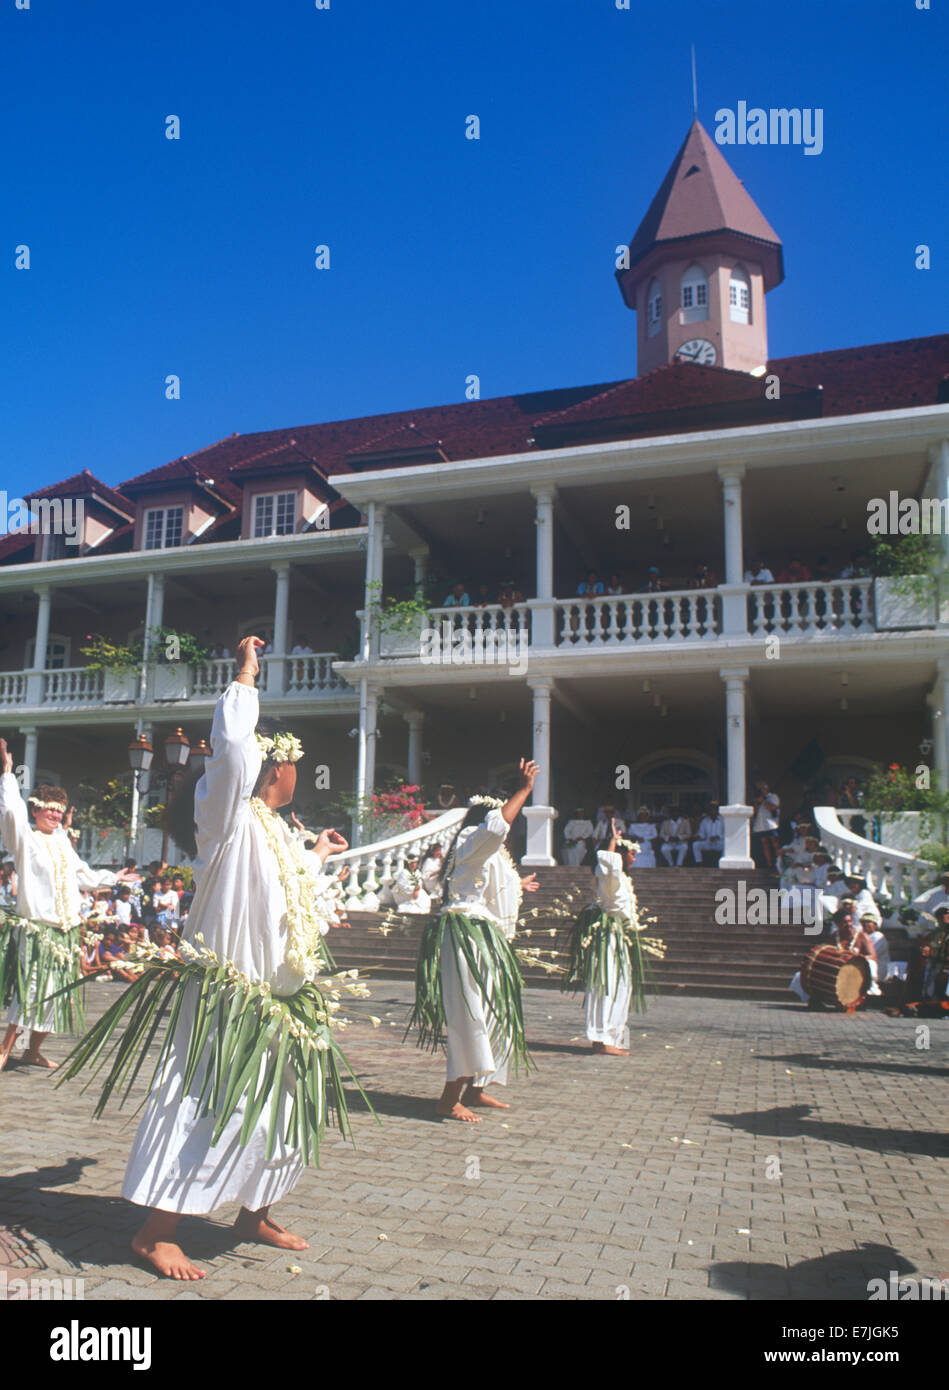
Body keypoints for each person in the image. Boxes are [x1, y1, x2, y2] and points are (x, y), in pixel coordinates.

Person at [70, 634, 355, 1280]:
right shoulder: (227, 818)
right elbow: (227, 752)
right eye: (289, 761)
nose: (295, 772)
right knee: (206, 1098)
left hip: (278, 999)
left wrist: (319, 858)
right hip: (230, 994)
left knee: (281, 1105)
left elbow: (287, 900)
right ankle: (155, 1230)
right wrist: (246, 678)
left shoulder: (282, 832)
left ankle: (255, 1209)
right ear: (275, 764)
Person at [407, 763, 541, 1123]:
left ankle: (476, 1090)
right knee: (472, 1014)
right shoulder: (472, 839)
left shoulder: (475, 850)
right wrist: (524, 790)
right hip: (466, 935)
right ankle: (448, 1099)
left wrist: (520, 886)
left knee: (492, 1011)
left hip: (481, 934)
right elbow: (497, 828)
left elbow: (493, 878)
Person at [0, 756, 116, 1072]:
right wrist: (9, 775)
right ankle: (5, 1048)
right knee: (32, 988)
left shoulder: (63, 843)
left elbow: (84, 875)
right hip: (38, 930)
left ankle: (32, 1051)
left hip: (65, 932)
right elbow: (10, 813)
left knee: (57, 993)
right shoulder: (25, 840)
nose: (54, 814)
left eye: (59, 810)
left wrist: (116, 878)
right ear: (35, 809)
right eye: (48, 808)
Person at [564, 822, 659, 1056]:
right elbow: (607, 862)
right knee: (606, 985)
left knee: (621, 986)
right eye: (631, 853)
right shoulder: (609, 877)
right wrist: (613, 841)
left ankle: (610, 1037)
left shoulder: (622, 880)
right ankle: (601, 1038)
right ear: (620, 855)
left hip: (619, 938)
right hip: (607, 938)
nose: (635, 857)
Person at [750, 783, 780, 870]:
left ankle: (779, 863)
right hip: (761, 825)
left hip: (771, 825)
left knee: (775, 844)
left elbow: (773, 807)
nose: (762, 790)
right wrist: (756, 803)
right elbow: (754, 812)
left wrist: (763, 801)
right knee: (765, 844)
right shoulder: (758, 799)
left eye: (763, 788)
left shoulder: (773, 797)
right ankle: (769, 864)